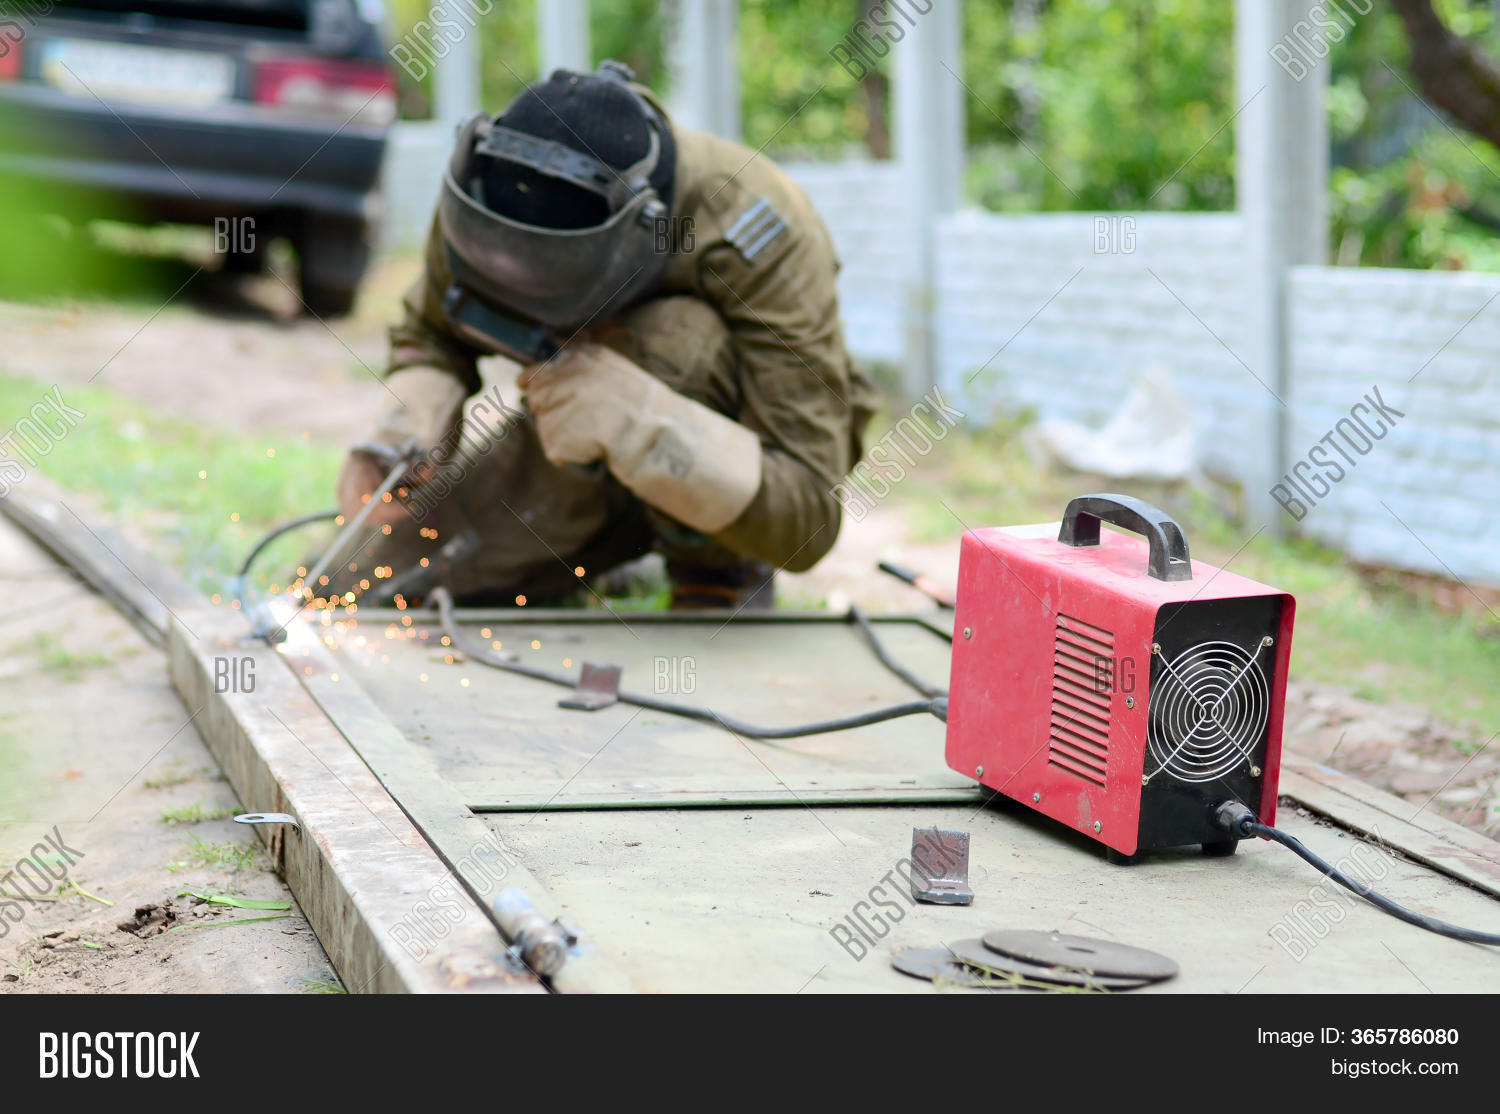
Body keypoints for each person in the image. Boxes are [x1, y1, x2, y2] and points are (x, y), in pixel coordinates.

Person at [334, 61, 876, 609]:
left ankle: (715, 568)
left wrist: (638, 422)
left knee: (681, 343)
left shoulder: (753, 226)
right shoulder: (486, 198)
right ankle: (605, 556)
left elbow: (809, 515)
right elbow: (431, 333)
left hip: (695, 436)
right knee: (349, 592)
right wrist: (411, 421)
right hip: (570, 447)